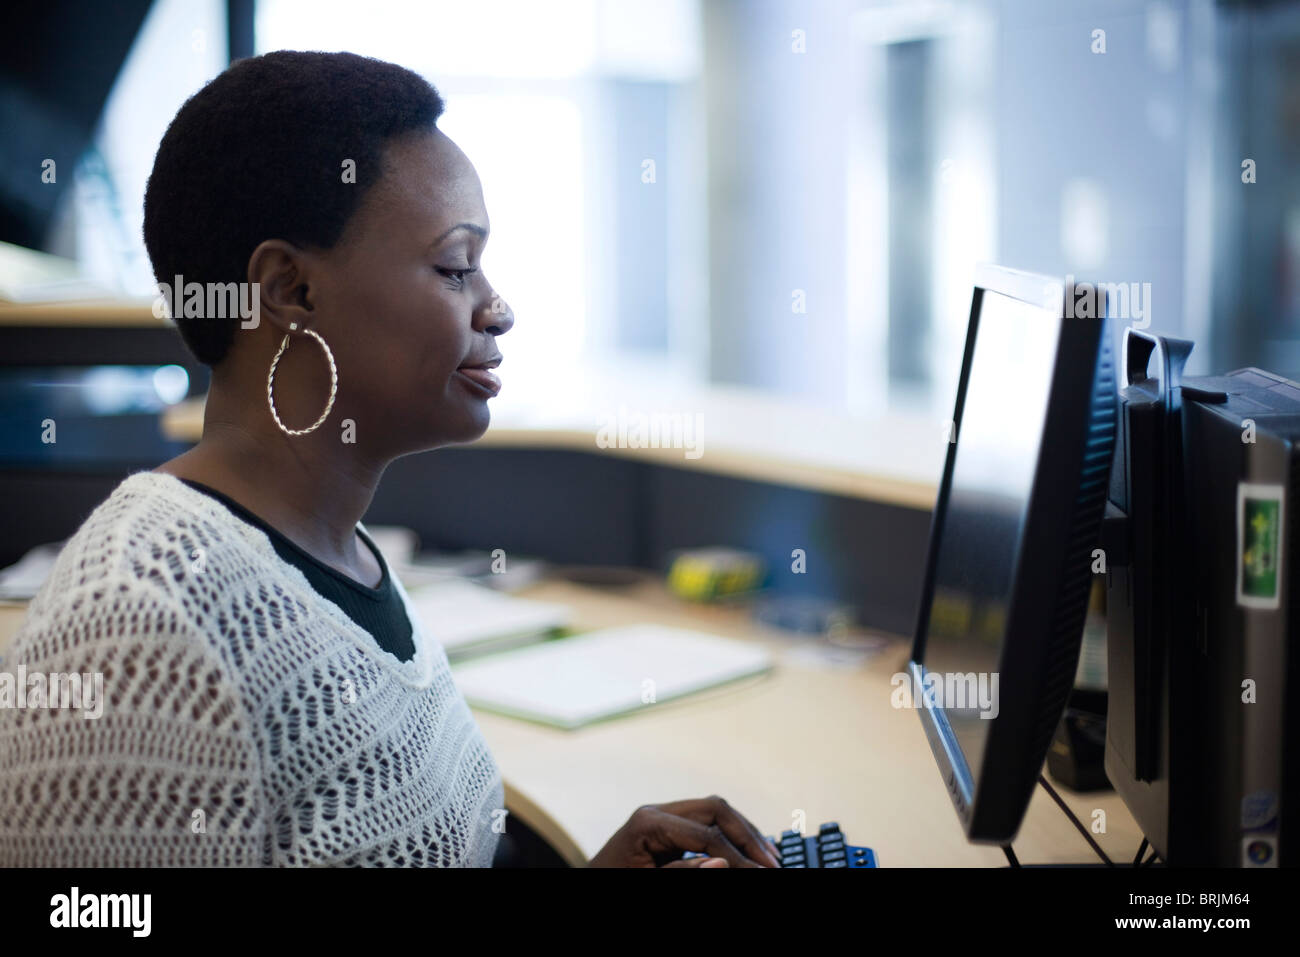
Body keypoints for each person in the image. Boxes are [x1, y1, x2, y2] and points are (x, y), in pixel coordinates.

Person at [0, 50, 779, 869]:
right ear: (291, 291)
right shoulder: (147, 623)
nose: (497, 307)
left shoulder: (342, 557)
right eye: (454, 266)